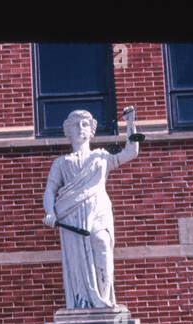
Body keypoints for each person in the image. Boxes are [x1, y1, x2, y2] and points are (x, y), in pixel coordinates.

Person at [42, 108, 141, 309]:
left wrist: (130, 124)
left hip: (98, 208)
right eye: (75, 125)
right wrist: (50, 212)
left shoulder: (101, 157)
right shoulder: (61, 163)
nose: (80, 128)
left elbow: (131, 152)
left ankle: (105, 300)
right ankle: (83, 301)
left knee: (102, 242)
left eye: (85, 124)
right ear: (67, 130)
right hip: (71, 214)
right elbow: (50, 189)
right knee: (78, 260)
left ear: (91, 130)